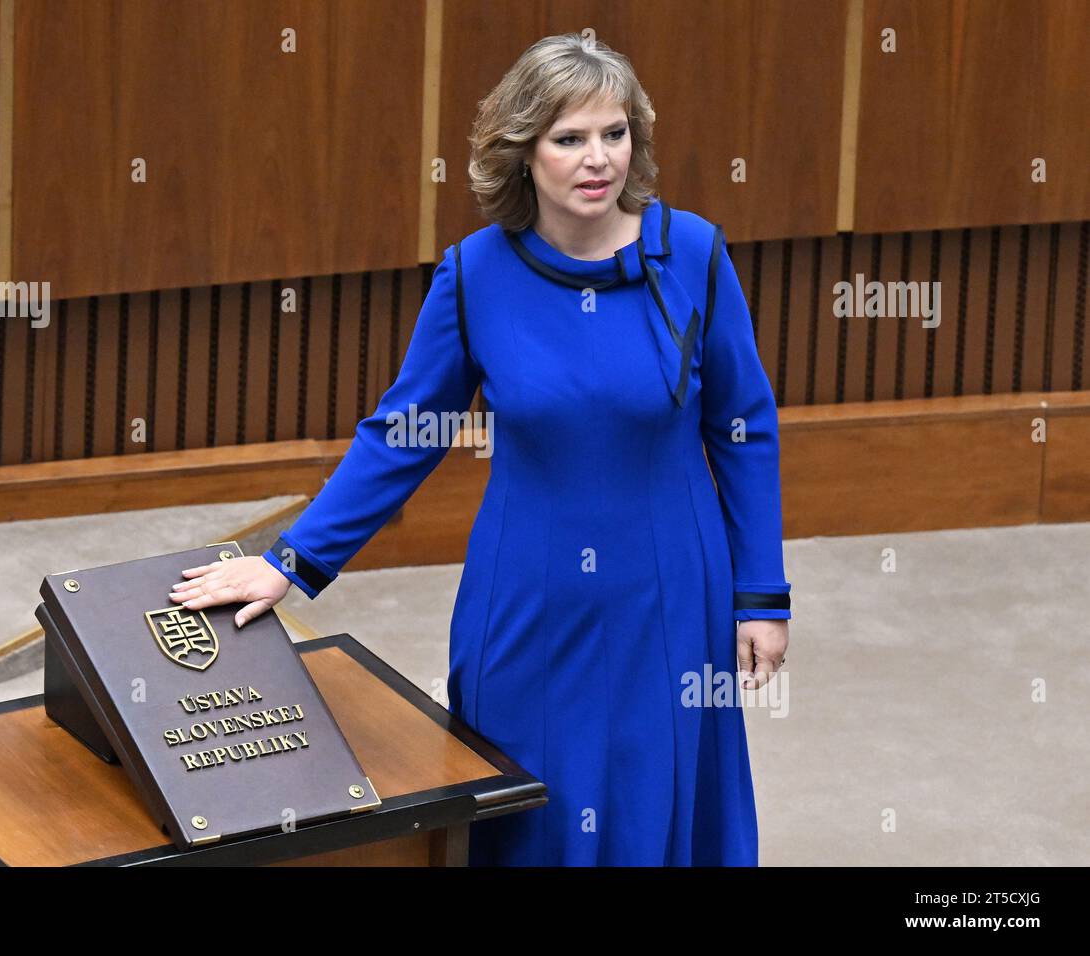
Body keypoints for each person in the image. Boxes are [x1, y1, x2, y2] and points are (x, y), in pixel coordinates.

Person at [168, 32, 791, 866]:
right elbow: (403, 433)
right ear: (523, 152)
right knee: (533, 805)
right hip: (529, 599)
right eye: (568, 138)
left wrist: (761, 596)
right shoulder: (475, 276)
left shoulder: (696, 257)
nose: (596, 158)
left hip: (672, 592)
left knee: (658, 795)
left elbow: (744, 430)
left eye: (614, 133)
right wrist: (290, 560)